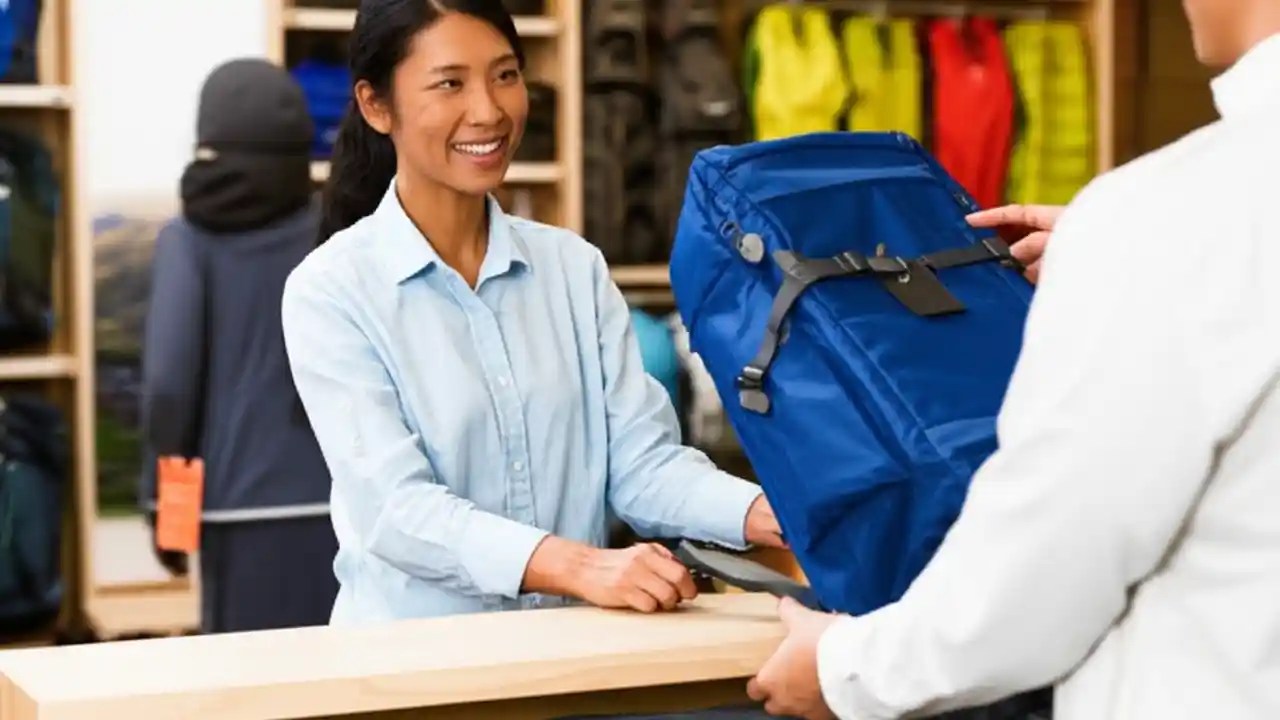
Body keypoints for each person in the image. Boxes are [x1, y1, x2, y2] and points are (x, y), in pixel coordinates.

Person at [748, 2, 1280, 719]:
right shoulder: (1182, 219)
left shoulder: (1172, 214)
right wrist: (1113, 253)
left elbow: (1048, 568)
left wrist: (843, 672)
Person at [279, 0, 783, 626]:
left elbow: (643, 466)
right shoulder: (331, 290)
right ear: (377, 106)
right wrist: (578, 565)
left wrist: (780, 513)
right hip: (411, 665)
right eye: (450, 83)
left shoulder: (574, 269)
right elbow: (397, 511)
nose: (488, 110)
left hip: (565, 658)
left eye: (506, 75)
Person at [140, 58, 338, 633]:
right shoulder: (335, 233)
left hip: (235, 514)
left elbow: (169, 388)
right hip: (344, 509)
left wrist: (166, 513)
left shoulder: (188, 241)